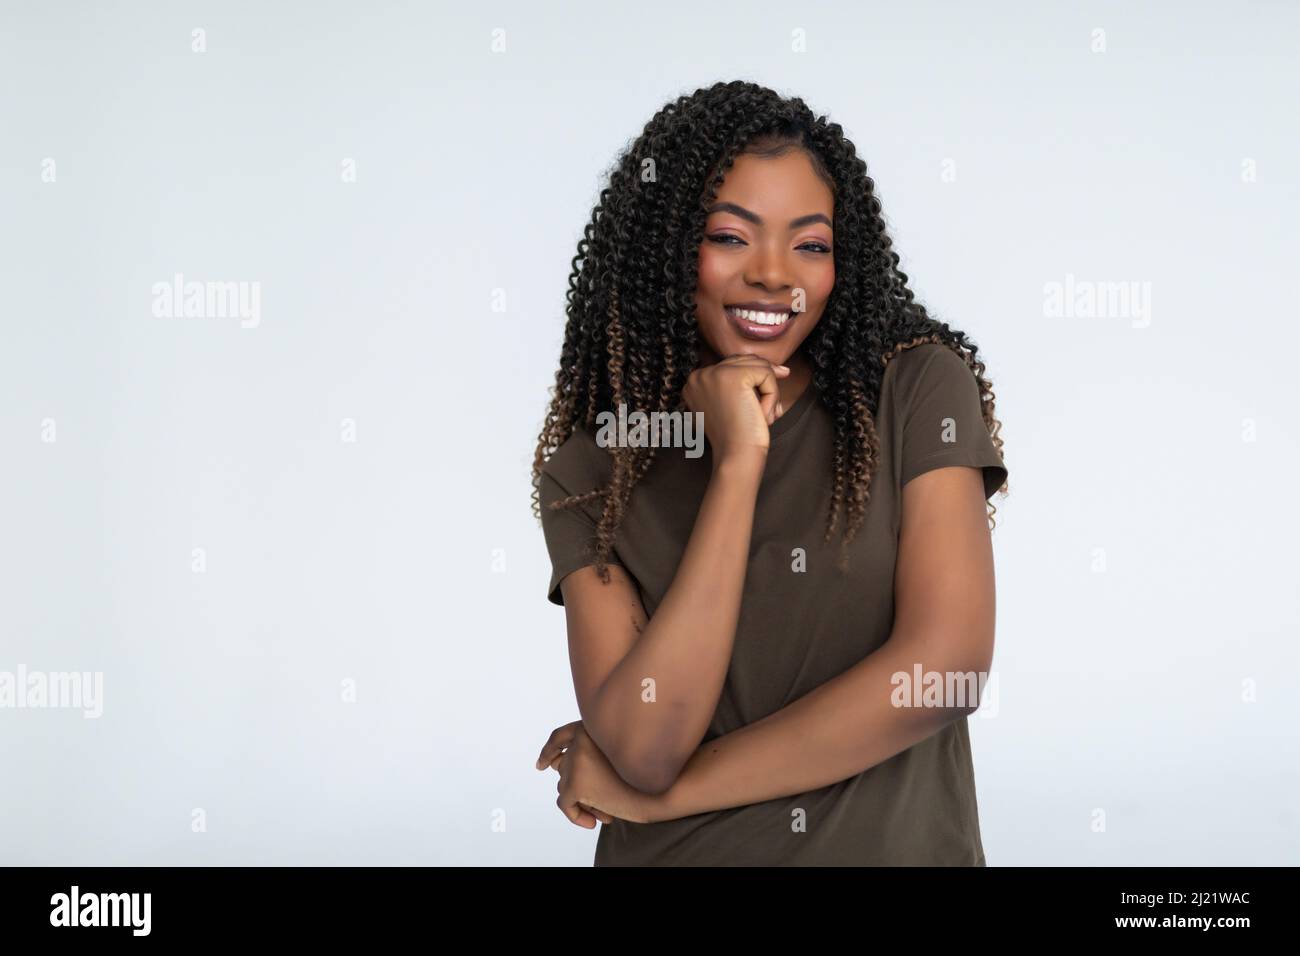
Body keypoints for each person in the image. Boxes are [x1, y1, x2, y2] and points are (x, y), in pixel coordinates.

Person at [531, 80, 1009, 866]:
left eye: (811, 244)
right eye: (731, 237)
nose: (774, 275)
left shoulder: (915, 390)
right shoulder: (596, 468)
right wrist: (738, 466)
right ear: (667, 245)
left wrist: (669, 795)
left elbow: (945, 671)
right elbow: (647, 745)